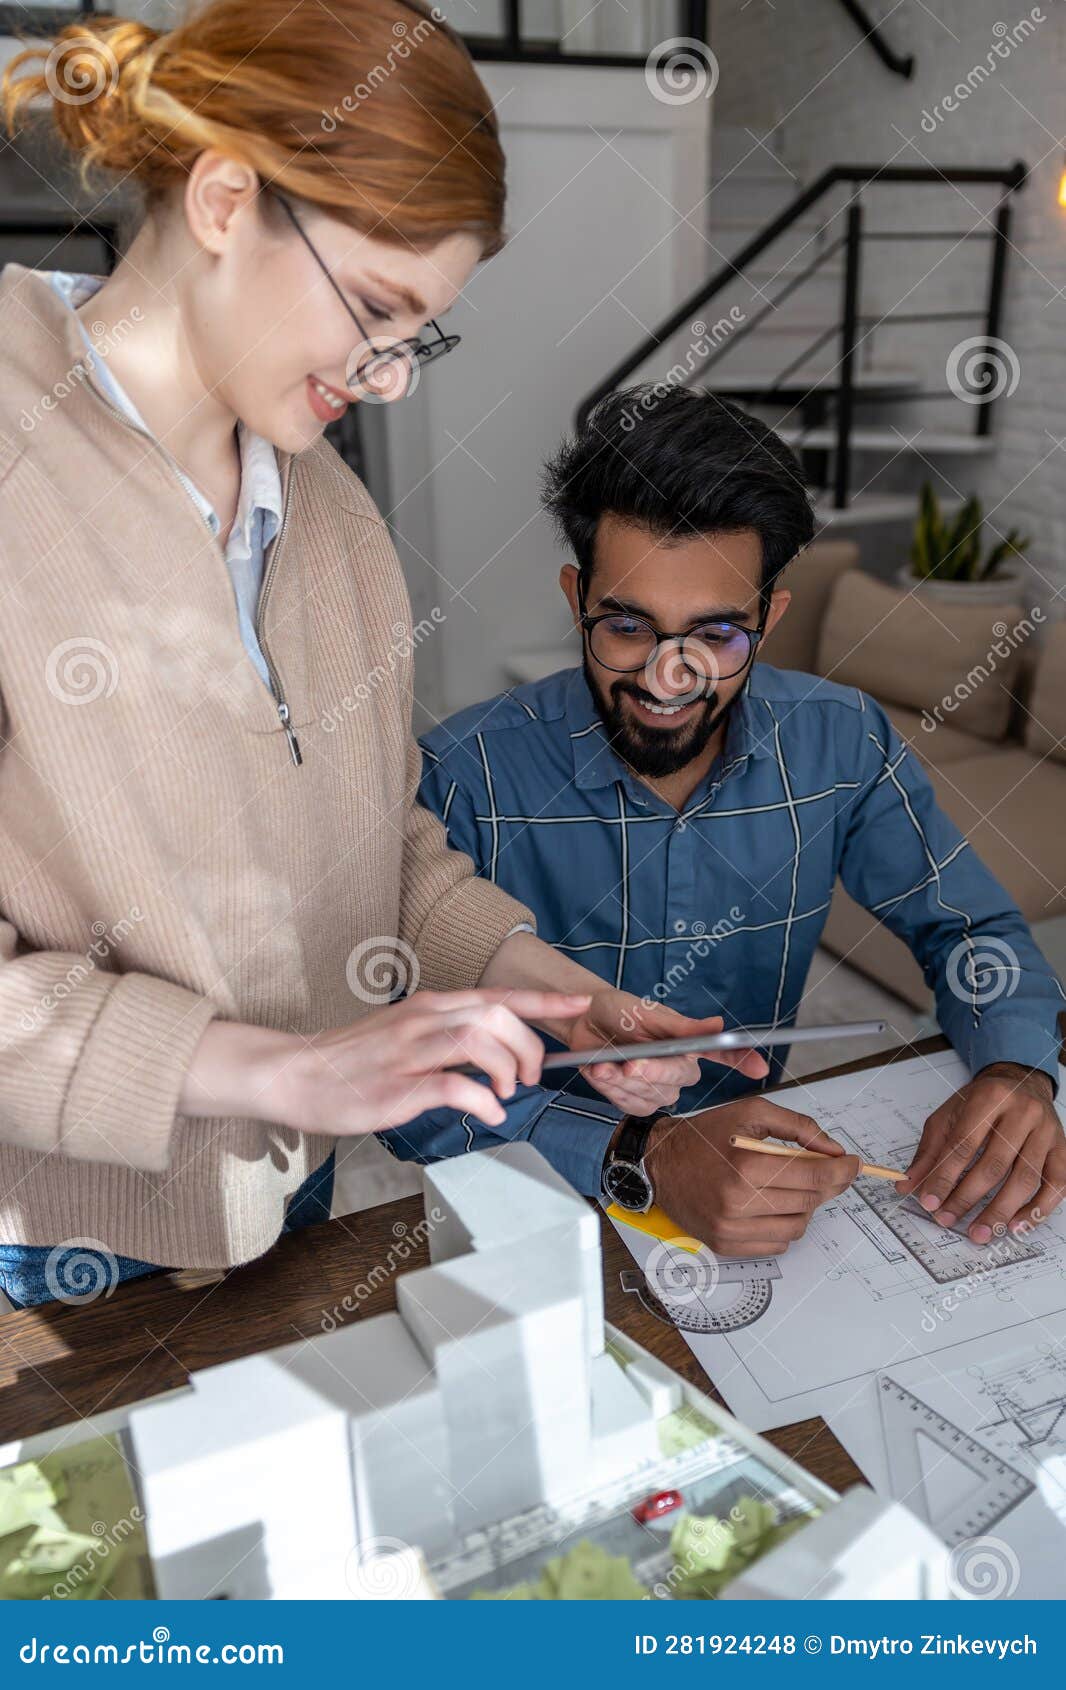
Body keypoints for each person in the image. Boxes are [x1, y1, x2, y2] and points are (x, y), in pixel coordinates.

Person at [0, 7, 761, 1309]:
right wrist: (278, 1068)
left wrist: (547, 993)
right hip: (46, 1238)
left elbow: (376, 843)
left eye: (421, 333)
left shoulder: (331, 511)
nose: (394, 378)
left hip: (286, 1192)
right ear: (225, 201)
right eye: (374, 309)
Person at [389, 383, 1065, 1258]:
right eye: (628, 626)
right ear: (575, 598)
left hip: (758, 1188)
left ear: (769, 619)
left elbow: (969, 931)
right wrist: (640, 1153)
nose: (668, 677)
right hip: (533, 1201)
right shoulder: (461, 775)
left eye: (716, 636)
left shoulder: (841, 742)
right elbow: (402, 1074)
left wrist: (1016, 1067)